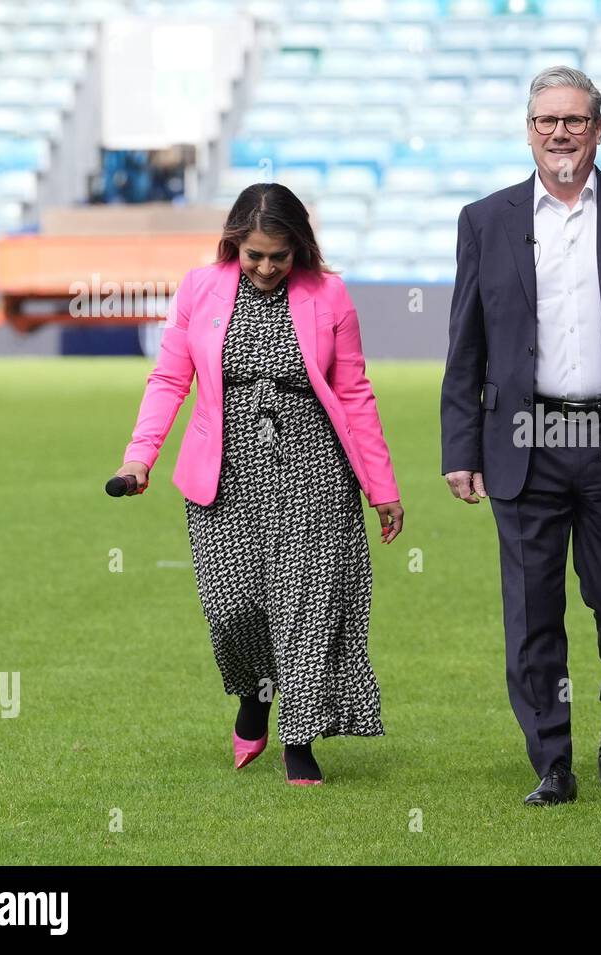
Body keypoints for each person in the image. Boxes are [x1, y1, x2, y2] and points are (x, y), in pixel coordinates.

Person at [440, 66, 601, 806]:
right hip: (521, 439)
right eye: (546, 120)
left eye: (574, 121)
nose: (560, 132)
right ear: (528, 129)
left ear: (598, 129)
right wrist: (460, 446)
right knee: (531, 610)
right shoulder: (484, 220)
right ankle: (552, 756)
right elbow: (467, 344)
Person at [116, 183, 404, 786]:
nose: (268, 268)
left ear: (299, 248)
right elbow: (170, 377)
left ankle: (299, 741)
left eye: (280, 255)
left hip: (313, 467)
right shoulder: (200, 289)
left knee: (304, 606)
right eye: (255, 256)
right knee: (234, 608)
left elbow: (353, 392)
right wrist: (139, 458)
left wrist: (382, 487)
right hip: (225, 472)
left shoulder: (329, 294)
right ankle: (256, 695)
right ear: (233, 247)